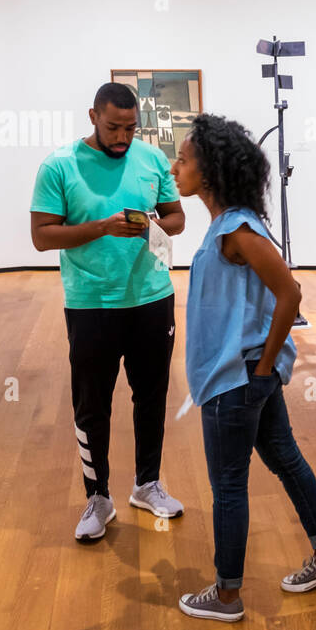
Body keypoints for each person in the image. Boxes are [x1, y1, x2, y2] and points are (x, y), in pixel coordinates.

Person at [171, 113, 316, 623]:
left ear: (209, 171)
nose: (175, 167)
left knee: (229, 486)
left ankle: (227, 596)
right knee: (286, 460)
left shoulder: (238, 230)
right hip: (247, 376)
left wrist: (266, 366)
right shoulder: (228, 225)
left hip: (237, 379)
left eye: (183, 159)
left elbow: (290, 293)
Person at [30, 83, 187, 542]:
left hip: (152, 299)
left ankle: (147, 483)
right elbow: (42, 236)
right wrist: (102, 227)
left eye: (130, 128)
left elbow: (177, 219)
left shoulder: (152, 160)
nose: (122, 137)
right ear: (92, 116)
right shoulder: (59, 165)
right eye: (113, 127)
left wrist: (151, 225)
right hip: (91, 304)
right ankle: (98, 497)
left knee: (152, 396)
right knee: (92, 405)